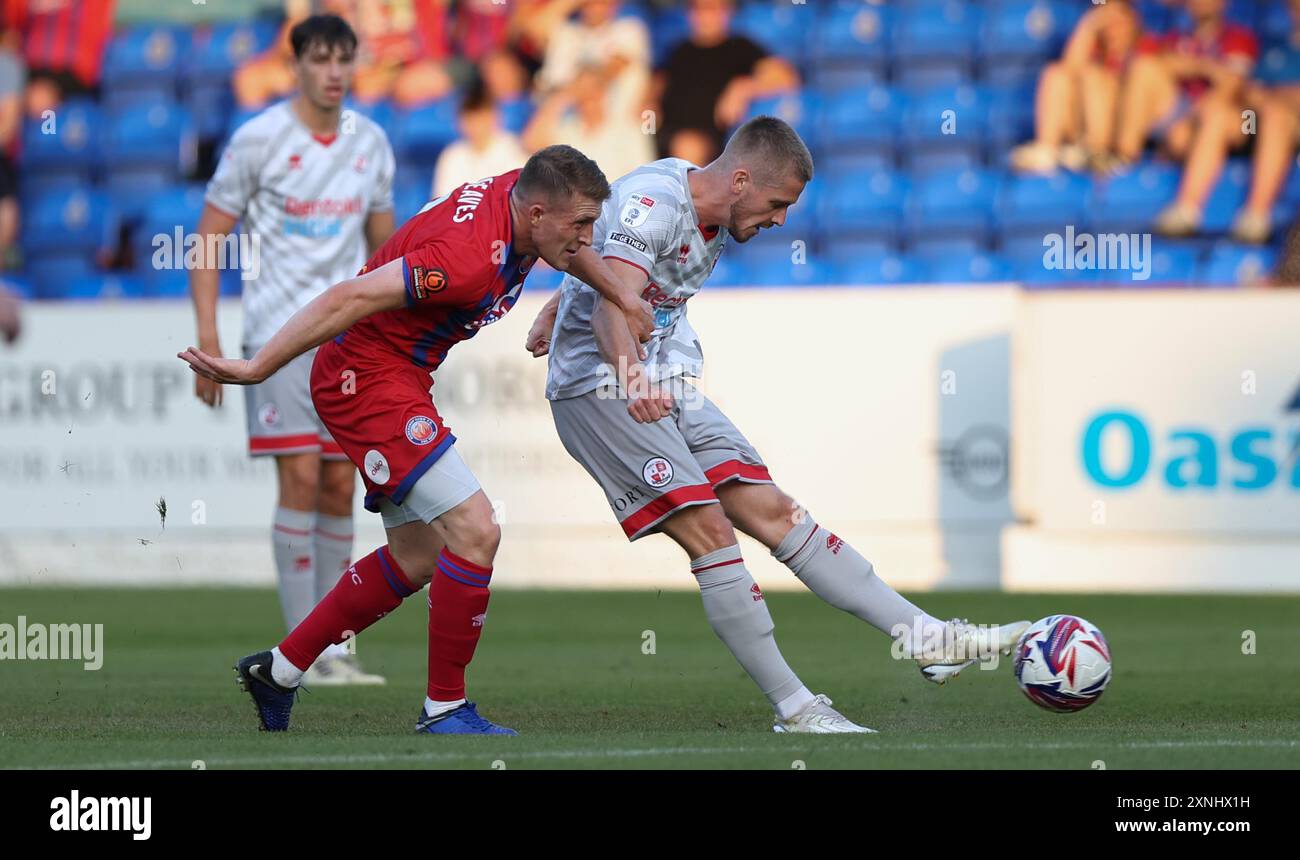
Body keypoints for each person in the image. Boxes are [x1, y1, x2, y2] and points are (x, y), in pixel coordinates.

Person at [526, 117, 1029, 733]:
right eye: (777, 203)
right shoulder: (654, 204)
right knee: (711, 531)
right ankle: (796, 708)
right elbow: (613, 305)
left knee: (776, 511)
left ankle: (926, 637)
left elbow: (603, 262)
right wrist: (632, 379)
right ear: (740, 180)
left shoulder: (703, 213)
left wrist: (554, 308)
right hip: (602, 386)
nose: (781, 220)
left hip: (666, 379)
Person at [180, 145, 655, 734]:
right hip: (365, 379)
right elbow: (348, 297)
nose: (588, 238)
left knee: (420, 553)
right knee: (476, 529)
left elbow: (569, 250)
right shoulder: (464, 259)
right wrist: (258, 368)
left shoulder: (528, 202)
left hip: (395, 375)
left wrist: (621, 294)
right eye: (580, 224)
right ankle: (444, 709)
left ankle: (277, 671)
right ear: (536, 214)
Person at [190, 15, 397, 687]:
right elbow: (208, 238)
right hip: (277, 336)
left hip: (345, 341)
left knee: (342, 484)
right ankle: (299, 656)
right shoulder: (259, 140)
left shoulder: (372, 144)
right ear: (297, 66)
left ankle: (331, 651)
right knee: (299, 479)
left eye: (344, 59)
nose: (334, 72)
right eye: (321, 59)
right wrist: (212, 340)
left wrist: (389, 340)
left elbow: (385, 254)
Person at [1109, 0, 1259, 236]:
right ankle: (1124, 160)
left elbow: (1232, 85)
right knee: (1144, 70)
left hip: (1241, 121)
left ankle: (1188, 208)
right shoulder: (1175, 39)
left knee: (1216, 113)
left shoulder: (1239, 38)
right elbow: (1156, 64)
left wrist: (1192, 75)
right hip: (1185, 119)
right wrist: (1205, 67)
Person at [652, 0, 798, 165]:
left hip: (716, 144)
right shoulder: (678, 51)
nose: (705, 14)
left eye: (713, 8)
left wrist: (743, 88)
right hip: (668, 136)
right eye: (698, 8)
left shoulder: (740, 47)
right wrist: (650, 102)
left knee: (688, 147)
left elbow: (786, 77)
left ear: (727, 11)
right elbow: (657, 84)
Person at [1009, 0, 1142, 175]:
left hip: (1116, 132)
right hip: (1080, 128)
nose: (1113, 30)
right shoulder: (1096, 54)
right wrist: (1089, 26)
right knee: (1055, 74)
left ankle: (1095, 151)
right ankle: (1047, 150)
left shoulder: (1143, 53)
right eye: (1107, 24)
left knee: (1093, 76)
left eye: (1119, 23)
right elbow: (1069, 69)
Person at [1223, 0, 1300, 244]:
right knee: (1236, 114)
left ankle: (1256, 213)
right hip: (1255, 125)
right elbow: (1249, 92)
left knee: (1276, 114)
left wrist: (1277, 97)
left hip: (1289, 126)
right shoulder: (1273, 48)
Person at [523, 64, 655, 184]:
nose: (588, 95)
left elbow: (645, 179)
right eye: (581, 90)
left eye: (593, 88)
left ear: (604, 91)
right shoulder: (568, 129)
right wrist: (561, 98)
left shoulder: (629, 129)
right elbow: (530, 144)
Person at [432, 81, 528, 198]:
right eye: (471, 119)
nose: (476, 126)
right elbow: (442, 202)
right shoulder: (453, 155)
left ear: (495, 118)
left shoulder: (513, 148)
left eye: (481, 118)